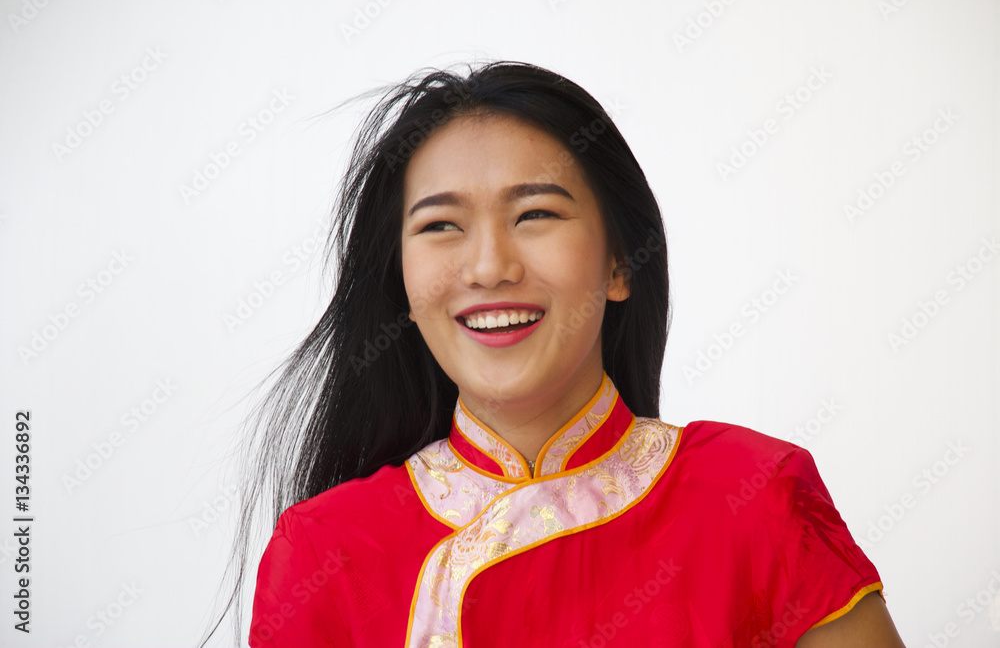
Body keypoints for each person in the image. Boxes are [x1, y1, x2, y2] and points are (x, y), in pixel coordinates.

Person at [203, 61, 906, 647]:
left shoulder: (754, 494)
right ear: (403, 284)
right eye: (441, 225)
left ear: (621, 264)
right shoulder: (326, 549)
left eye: (535, 214)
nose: (488, 266)